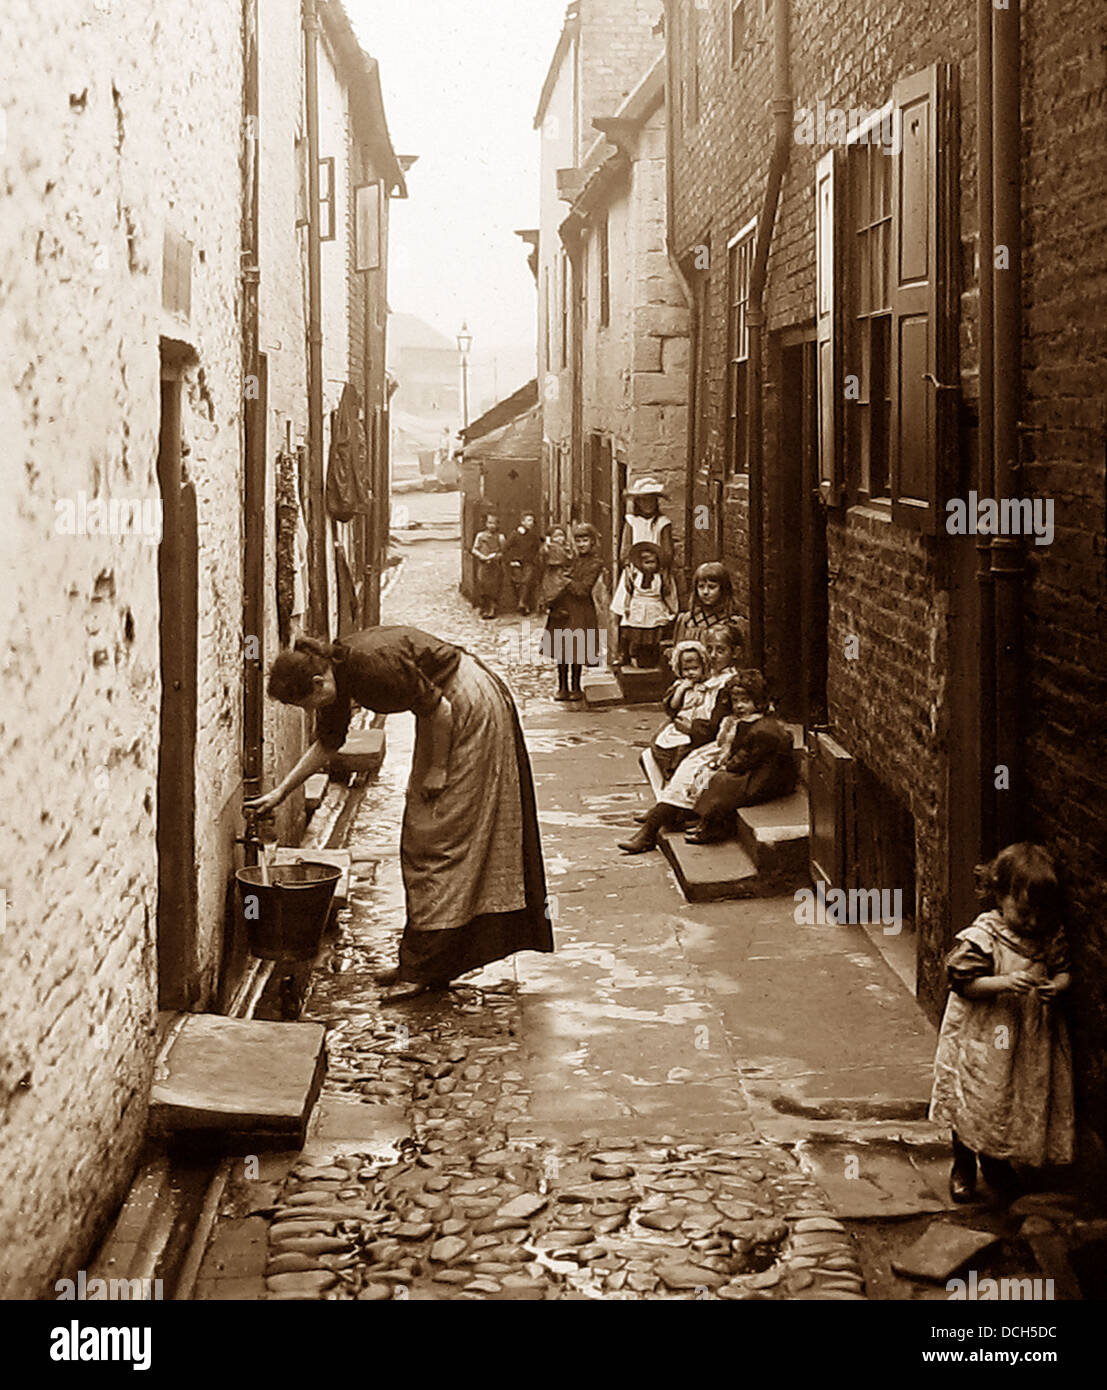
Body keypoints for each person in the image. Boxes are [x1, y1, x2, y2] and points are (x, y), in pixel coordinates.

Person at [243, 628, 552, 1002]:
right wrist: (280, 792)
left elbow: (441, 709)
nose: (311, 711)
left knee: (441, 836)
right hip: (443, 711)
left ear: (317, 680)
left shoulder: (370, 667)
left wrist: (438, 770)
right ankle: (422, 962)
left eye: (308, 702)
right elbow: (329, 742)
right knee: (424, 834)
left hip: (468, 708)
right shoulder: (336, 671)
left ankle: (426, 967)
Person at [929, 842, 1074, 1203]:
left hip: (1026, 1040)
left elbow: (1063, 971)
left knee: (1006, 1101)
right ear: (1000, 895)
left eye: (1040, 914)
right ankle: (963, 1164)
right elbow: (963, 983)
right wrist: (1004, 983)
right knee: (975, 1097)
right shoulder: (984, 937)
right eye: (1024, 913)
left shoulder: (1047, 935)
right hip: (984, 1035)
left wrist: (1056, 987)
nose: (1033, 923)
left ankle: (997, 1163)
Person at [619, 626, 745, 852]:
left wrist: (691, 727)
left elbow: (717, 722)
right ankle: (666, 810)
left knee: (688, 771)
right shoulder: (709, 675)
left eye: (721, 650)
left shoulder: (731, 682)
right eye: (710, 650)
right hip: (701, 735)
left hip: (719, 740)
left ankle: (650, 829)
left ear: (734, 653)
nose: (714, 655)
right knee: (649, 756)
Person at [682, 697, 796, 845]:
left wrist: (728, 766)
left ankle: (714, 827)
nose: (740, 707)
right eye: (736, 702)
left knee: (723, 783)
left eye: (746, 701)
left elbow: (746, 758)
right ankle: (704, 818)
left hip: (770, 779)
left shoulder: (762, 730)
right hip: (760, 770)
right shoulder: (752, 724)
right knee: (714, 778)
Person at [611, 478, 674, 659]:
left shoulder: (662, 523)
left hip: (657, 569)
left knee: (658, 611)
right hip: (635, 570)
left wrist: (659, 564)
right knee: (627, 611)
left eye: (651, 500)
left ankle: (655, 652)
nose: (648, 504)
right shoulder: (631, 521)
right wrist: (632, 566)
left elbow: (668, 551)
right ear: (637, 502)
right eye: (643, 500)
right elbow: (625, 550)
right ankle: (624, 651)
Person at [543, 522, 605, 703]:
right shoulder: (570, 558)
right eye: (578, 540)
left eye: (585, 540)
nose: (581, 544)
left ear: (592, 542)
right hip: (562, 607)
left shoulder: (595, 563)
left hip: (581, 609)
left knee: (576, 649)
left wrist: (564, 581)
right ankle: (562, 687)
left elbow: (583, 590)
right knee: (562, 650)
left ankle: (576, 686)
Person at [650, 639, 714, 780]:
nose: (690, 673)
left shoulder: (708, 685)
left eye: (695, 668)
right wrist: (681, 690)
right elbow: (672, 706)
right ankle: (669, 770)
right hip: (682, 721)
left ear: (704, 666)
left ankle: (679, 770)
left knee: (686, 749)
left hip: (698, 723)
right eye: (686, 669)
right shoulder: (680, 685)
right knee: (662, 744)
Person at [610, 540, 679, 669]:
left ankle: (652, 658)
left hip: (654, 607)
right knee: (636, 634)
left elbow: (667, 594)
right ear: (640, 563)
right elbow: (629, 593)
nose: (650, 566)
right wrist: (626, 607)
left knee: (652, 635)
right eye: (647, 563)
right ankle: (632, 655)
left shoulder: (661, 577)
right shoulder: (634, 575)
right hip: (638, 606)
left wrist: (672, 609)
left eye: (653, 562)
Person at [671, 561, 742, 648]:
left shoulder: (732, 621)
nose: (705, 592)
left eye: (711, 587)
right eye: (701, 586)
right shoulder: (688, 620)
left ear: (723, 589)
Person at [503, 512, 541, 614]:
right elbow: (506, 548)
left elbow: (537, 548)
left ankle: (522, 603)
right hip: (517, 562)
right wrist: (511, 561)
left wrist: (534, 559)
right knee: (518, 583)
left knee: (527, 581)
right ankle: (523, 604)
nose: (531, 523)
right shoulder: (515, 534)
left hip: (529, 562)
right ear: (522, 522)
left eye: (532, 521)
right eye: (529, 520)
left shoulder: (533, 536)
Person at [471, 513, 505, 618]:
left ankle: (492, 608)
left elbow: (504, 551)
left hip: (495, 566)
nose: (492, 526)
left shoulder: (500, 537)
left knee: (493, 587)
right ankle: (484, 607)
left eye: (494, 523)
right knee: (483, 586)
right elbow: (474, 549)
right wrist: (482, 556)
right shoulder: (480, 536)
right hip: (483, 565)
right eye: (490, 523)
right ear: (486, 523)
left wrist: (496, 556)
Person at [538, 525, 573, 614]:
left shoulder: (566, 547)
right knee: (554, 590)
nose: (559, 539)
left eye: (561, 536)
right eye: (556, 536)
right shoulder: (550, 547)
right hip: (554, 573)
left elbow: (571, 557)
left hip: (565, 571)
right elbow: (544, 555)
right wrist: (547, 543)